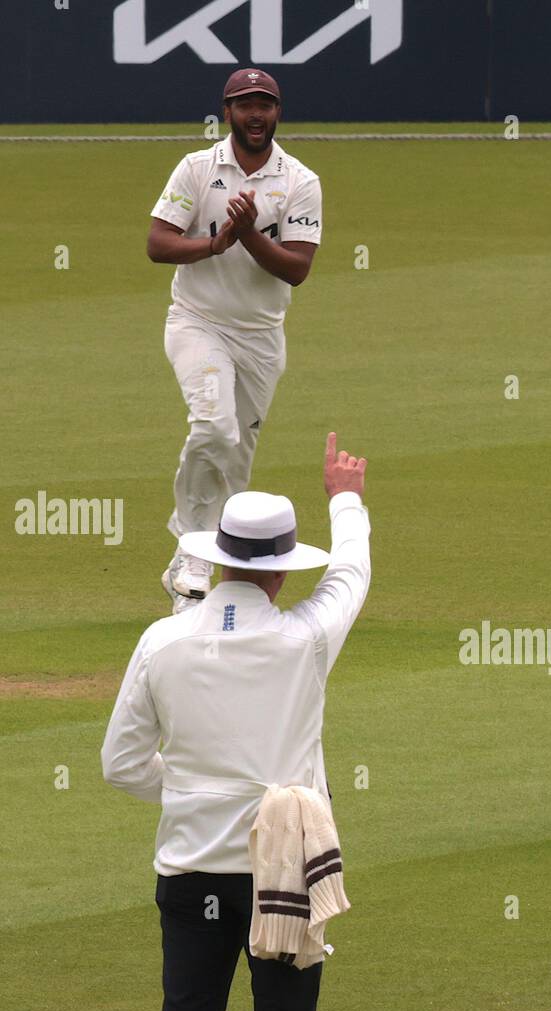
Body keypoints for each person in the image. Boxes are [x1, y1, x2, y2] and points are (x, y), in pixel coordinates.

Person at [101, 433, 371, 1011]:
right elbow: (351, 576)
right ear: (281, 570)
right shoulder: (303, 639)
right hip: (279, 876)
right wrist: (346, 496)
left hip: (190, 879)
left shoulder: (163, 641)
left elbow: (119, 763)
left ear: (217, 561)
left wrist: (190, 796)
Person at [147, 67, 322, 612]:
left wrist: (245, 235)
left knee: (236, 465)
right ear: (227, 111)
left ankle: (204, 581)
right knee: (214, 426)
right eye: (245, 105)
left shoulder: (299, 180)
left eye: (265, 105)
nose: (255, 114)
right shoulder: (197, 168)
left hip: (261, 339)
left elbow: (296, 269)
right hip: (198, 322)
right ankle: (190, 556)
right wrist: (215, 244)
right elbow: (157, 244)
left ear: (278, 112)